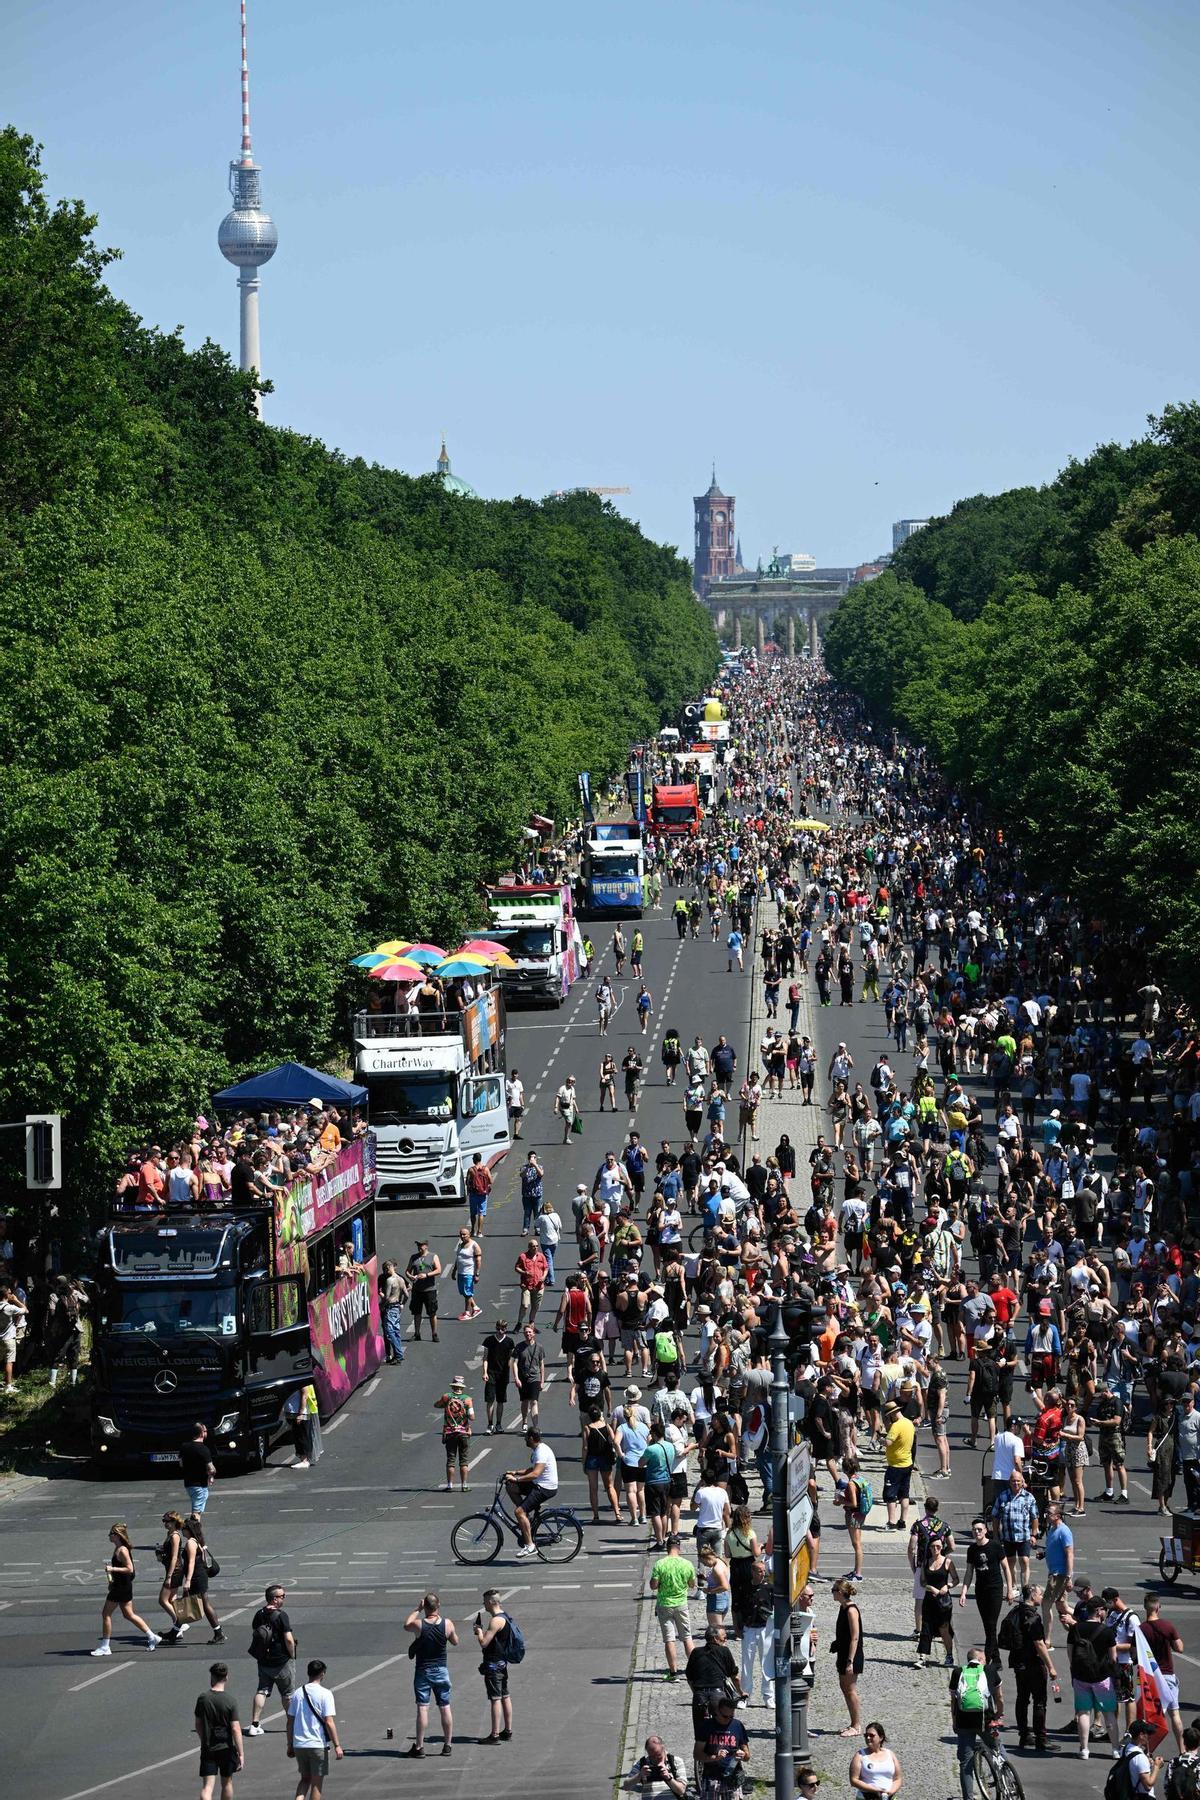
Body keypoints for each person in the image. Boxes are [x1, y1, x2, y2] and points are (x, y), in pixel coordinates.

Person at [91, 1521, 160, 1655]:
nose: (109, 1536)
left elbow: (130, 1569)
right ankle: (152, 1637)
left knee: (106, 1614)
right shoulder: (119, 1548)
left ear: (117, 1535)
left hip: (121, 1587)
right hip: (122, 1585)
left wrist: (112, 1568)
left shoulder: (122, 1550)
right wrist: (111, 1579)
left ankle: (105, 1646)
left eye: (111, 1533)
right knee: (129, 1614)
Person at [403, 1592, 457, 1757]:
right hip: (441, 1669)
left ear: (425, 1607)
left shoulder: (419, 1625)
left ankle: (419, 1747)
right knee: (445, 1706)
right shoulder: (447, 1624)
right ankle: (447, 1745)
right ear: (438, 1606)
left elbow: (406, 1625)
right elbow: (455, 1641)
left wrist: (416, 1609)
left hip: (423, 1671)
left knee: (422, 1708)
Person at [1066, 1596, 1120, 1759]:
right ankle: (1116, 1749)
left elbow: (1070, 1652)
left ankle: (1084, 1749)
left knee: (1083, 1712)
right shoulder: (1106, 1631)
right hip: (1101, 1677)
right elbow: (1113, 1657)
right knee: (1109, 1713)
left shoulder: (1076, 1629)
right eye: (1104, 1609)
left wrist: (1076, 1668)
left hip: (1081, 1676)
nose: (1106, 1612)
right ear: (1098, 1611)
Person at [946, 1648, 1001, 1800]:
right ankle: (1004, 1779)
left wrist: (954, 1720)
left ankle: (968, 1798)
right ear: (981, 1658)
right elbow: (999, 1697)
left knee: (965, 1763)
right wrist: (999, 1714)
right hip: (986, 1720)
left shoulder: (958, 1672)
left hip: (964, 1722)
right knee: (998, 1749)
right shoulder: (989, 1670)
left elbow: (953, 1701)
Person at [286, 1658, 343, 1800]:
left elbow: (290, 1722)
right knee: (317, 1784)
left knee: (305, 1779)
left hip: (299, 1744)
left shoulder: (298, 1693)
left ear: (308, 1673)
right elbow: (329, 1722)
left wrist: (290, 1744)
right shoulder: (325, 1694)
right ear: (322, 1674)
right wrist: (337, 1745)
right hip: (317, 1744)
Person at [247, 1585, 296, 1735]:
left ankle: (254, 1725)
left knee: (262, 1690)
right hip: (281, 1661)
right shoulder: (281, 1616)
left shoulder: (259, 1614)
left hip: (263, 1659)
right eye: (282, 1596)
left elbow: (256, 1633)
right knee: (287, 1694)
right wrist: (292, 1654)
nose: (283, 1598)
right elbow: (288, 1639)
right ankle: (293, 1723)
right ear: (274, 1599)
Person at [1142, 1591, 1185, 1750]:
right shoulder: (1168, 1626)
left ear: (1145, 1607)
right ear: (1158, 1607)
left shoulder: (1141, 1629)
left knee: (1153, 1717)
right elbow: (1180, 1648)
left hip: (1151, 1678)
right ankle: (1182, 1750)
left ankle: (1148, 1749)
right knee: (1175, 1715)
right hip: (1168, 1676)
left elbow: (1134, 1653)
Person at [649, 1533, 697, 1680]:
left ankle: (673, 1673)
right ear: (679, 1548)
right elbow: (692, 1584)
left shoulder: (660, 1564)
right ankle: (696, 1670)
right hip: (681, 1604)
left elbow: (653, 1586)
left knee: (669, 1639)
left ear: (667, 1548)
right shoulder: (687, 1564)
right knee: (687, 1637)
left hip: (664, 1605)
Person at [505, 1428, 559, 1556]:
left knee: (519, 1512)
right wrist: (516, 1472)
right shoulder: (538, 1450)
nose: (524, 1440)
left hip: (545, 1488)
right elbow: (533, 1469)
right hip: (538, 1483)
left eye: (525, 1438)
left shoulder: (541, 1451)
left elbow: (535, 1473)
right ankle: (526, 1517)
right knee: (511, 1486)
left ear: (530, 1438)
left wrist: (517, 1478)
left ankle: (530, 1546)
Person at [195, 1661, 243, 1800]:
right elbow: (235, 1728)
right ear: (226, 1677)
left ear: (212, 1677)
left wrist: (204, 1739)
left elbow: (198, 1724)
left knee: (207, 1787)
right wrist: (241, 1753)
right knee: (227, 1782)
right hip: (226, 1747)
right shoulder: (230, 1701)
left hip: (208, 1747)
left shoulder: (203, 1699)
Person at [473, 1587, 516, 1743]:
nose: (484, 1605)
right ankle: (508, 1731)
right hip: (502, 1663)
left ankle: (495, 1734)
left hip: (493, 1665)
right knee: (505, 1696)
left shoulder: (495, 1620)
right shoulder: (505, 1617)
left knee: (495, 1698)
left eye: (485, 1602)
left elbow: (484, 1643)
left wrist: (478, 1632)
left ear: (491, 1602)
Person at [695, 1692, 749, 1795]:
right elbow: (697, 1754)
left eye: (731, 1716)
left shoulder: (737, 1725)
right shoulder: (706, 1726)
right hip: (712, 1776)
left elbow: (747, 1755)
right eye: (725, 1716)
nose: (728, 1719)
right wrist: (714, 1757)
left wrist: (743, 1755)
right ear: (717, 1712)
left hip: (733, 1776)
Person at [181, 1513, 224, 1644]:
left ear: (188, 1530)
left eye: (183, 1528)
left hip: (196, 1577)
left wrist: (187, 1580)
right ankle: (218, 1632)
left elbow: (191, 1562)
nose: (182, 1530)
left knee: (185, 1603)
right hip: (201, 1575)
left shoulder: (190, 1543)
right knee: (203, 1603)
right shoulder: (198, 1541)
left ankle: (176, 1630)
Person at [832, 1578, 864, 1736]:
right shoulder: (842, 1607)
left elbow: (855, 1637)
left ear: (839, 1592)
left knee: (850, 1690)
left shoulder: (851, 1610)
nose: (831, 1592)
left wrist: (850, 1661)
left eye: (833, 1589)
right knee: (845, 1688)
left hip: (851, 1655)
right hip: (843, 1652)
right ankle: (853, 1723)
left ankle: (857, 1726)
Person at [436, 1375, 474, 1492]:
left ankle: (450, 1485)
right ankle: (464, 1485)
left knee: (451, 1460)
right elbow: (472, 1417)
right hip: (463, 1432)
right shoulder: (467, 1399)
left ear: (453, 1386)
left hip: (450, 1432)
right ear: (462, 1387)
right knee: (464, 1460)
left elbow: (437, 1405)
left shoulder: (447, 1397)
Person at [882, 1401, 915, 1530]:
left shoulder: (896, 1426)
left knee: (890, 1495)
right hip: (907, 1463)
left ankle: (891, 1522)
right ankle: (902, 1522)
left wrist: (881, 1440)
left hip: (895, 1465)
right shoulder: (909, 1423)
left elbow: (888, 1442)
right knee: (904, 1494)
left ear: (892, 1414)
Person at [622, 1733, 689, 1797]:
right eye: (652, 1756)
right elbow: (626, 1786)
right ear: (647, 1752)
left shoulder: (676, 1761)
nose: (655, 1759)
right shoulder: (642, 1763)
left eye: (659, 1755)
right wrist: (639, 1775)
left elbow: (681, 1791)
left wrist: (669, 1778)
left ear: (664, 1749)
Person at [848, 1721, 902, 1797]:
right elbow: (854, 1780)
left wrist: (890, 1792)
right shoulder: (860, 1755)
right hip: (866, 1796)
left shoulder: (890, 1754)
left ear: (881, 1737)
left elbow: (898, 1779)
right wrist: (876, 1790)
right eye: (866, 1735)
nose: (868, 1738)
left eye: (871, 1735)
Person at [1116, 1719, 1166, 1795]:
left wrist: (1146, 1762)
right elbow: (1148, 1785)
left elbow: (1133, 1766)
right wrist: (1156, 1766)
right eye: (1148, 1733)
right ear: (1141, 1735)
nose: (1150, 1736)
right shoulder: (1140, 1758)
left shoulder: (1125, 1749)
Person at [482, 1317, 513, 1434]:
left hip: (503, 1375)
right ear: (496, 1328)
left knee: (500, 1400)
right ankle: (490, 1424)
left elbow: (511, 1358)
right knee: (490, 1400)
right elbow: (485, 1358)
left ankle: (499, 1424)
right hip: (491, 1373)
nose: (500, 1331)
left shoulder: (509, 1342)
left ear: (506, 1329)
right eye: (498, 1329)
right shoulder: (489, 1340)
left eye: (503, 1329)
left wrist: (512, 1372)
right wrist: (485, 1372)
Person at [406, 1240, 441, 1343]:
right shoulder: (414, 1257)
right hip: (417, 1289)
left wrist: (426, 1275)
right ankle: (417, 1334)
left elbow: (438, 1270)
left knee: (432, 1312)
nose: (419, 1247)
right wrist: (410, 1276)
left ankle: (434, 1334)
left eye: (421, 1246)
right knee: (416, 1312)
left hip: (429, 1289)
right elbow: (407, 1271)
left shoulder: (433, 1256)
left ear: (426, 1246)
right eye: (418, 1245)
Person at [513, 1322, 546, 1429]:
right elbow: (514, 1363)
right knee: (524, 1401)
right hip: (523, 1378)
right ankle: (524, 1422)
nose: (528, 1334)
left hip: (534, 1377)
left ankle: (535, 1426)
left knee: (534, 1401)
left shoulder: (539, 1347)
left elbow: (541, 1364)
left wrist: (542, 1380)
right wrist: (516, 1378)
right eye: (526, 1332)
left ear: (534, 1333)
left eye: (530, 1332)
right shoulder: (519, 1347)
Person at [180, 1422, 217, 1515]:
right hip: (199, 1485)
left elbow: (181, 1463)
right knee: (196, 1511)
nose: (206, 1433)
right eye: (205, 1431)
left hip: (189, 1484)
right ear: (201, 1433)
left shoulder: (184, 1447)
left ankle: (196, 1528)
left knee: (198, 1510)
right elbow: (211, 1468)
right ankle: (192, 1528)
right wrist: (211, 1474)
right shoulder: (204, 1449)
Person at [380, 1260, 407, 1364]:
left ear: (388, 1268)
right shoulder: (401, 1279)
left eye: (385, 1269)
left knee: (389, 1332)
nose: (385, 1272)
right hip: (397, 1306)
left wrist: (382, 1306)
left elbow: (386, 1297)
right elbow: (406, 1294)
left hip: (390, 1307)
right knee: (396, 1331)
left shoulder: (390, 1280)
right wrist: (402, 1303)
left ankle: (399, 1354)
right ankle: (397, 1355)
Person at [453, 1226, 483, 1321]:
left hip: (469, 1273)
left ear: (469, 1234)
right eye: (461, 1234)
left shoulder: (474, 1245)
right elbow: (458, 1259)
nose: (462, 1236)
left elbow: (478, 1260)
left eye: (464, 1234)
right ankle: (475, 1308)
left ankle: (467, 1312)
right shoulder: (460, 1245)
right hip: (460, 1273)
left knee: (468, 1292)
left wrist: (477, 1274)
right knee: (465, 1293)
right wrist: (454, 1270)